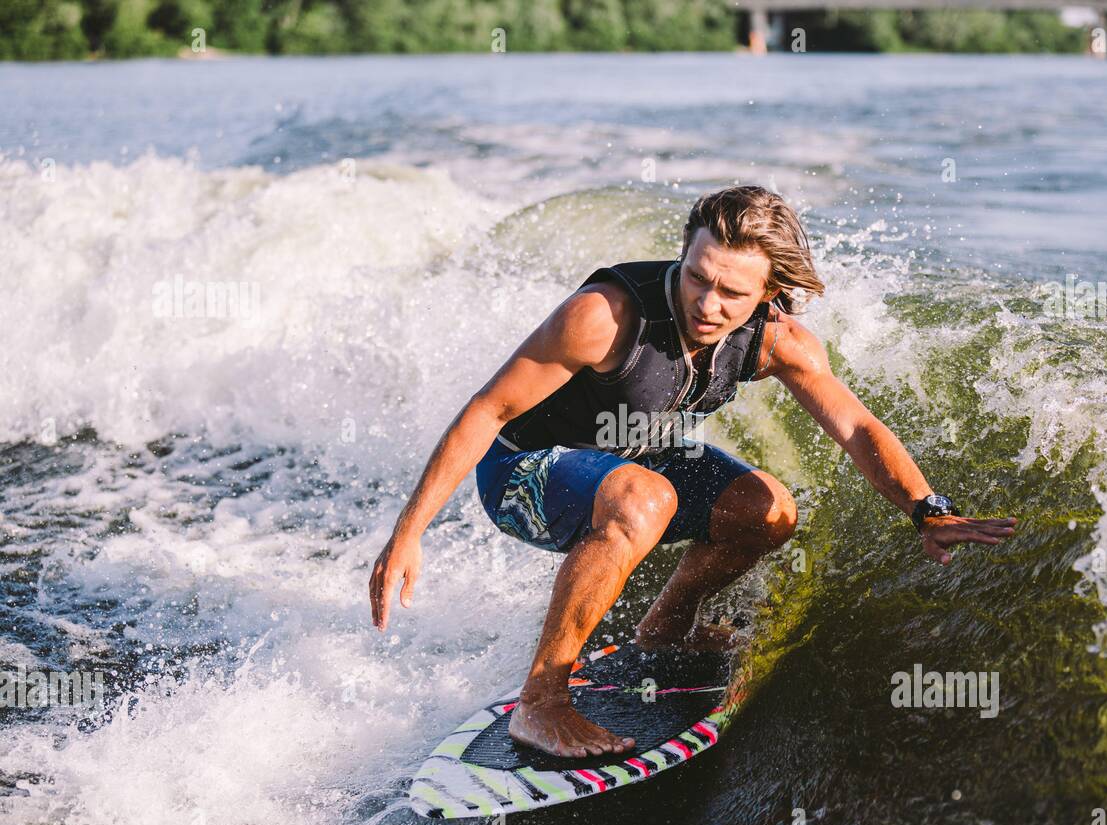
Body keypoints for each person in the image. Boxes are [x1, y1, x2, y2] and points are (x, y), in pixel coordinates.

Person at [369, 185, 1017, 758]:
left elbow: (855, 428)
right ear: (683, 251)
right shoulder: (606, 316)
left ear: (768, 294)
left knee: (769, 511)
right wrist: (409, 531)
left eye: (732, 292)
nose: (707, 302)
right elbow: (488, 410)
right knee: (643, 497)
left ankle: (665, 628)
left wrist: (929, 511)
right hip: (520, 473)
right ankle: (541, 703)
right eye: (696, 276)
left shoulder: (778, 340)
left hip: (633, 460)